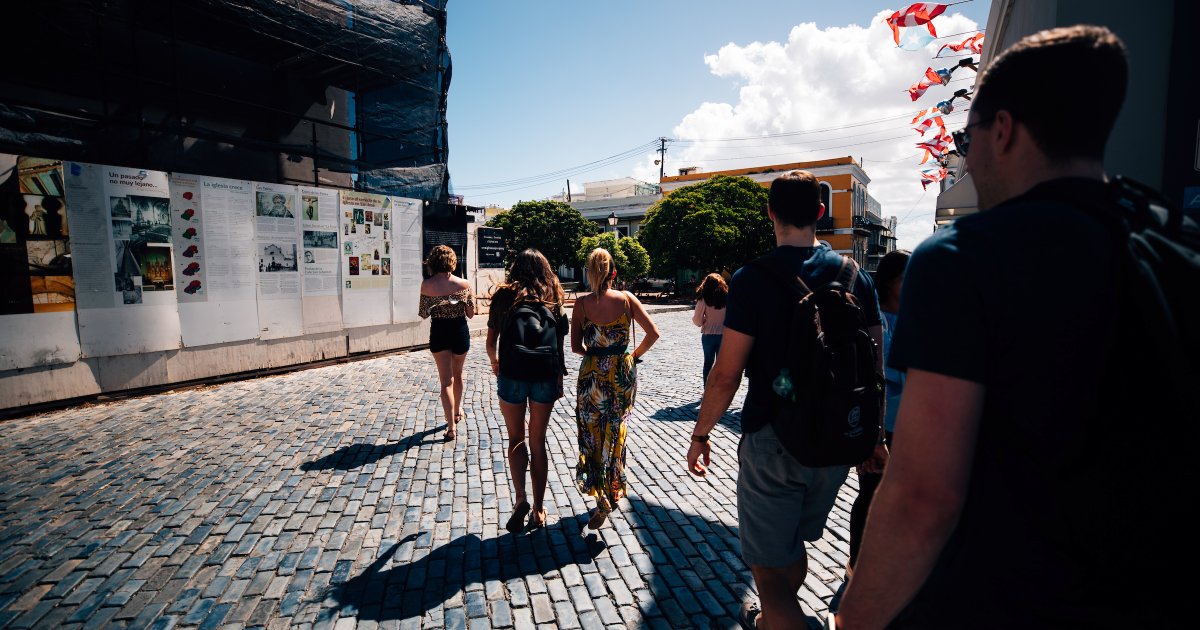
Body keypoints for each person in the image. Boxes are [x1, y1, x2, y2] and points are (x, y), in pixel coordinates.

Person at [834, 26, 1186, 628]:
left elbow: (924, 493)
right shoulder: (1176, 243)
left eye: (965, 138)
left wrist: (857, 617)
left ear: (1002, 130)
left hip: (1010, 597)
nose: (965, 157)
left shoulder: (963, 258)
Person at [684, 170, 882, 630]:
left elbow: (726, 375)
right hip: (837, 441)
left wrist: (701, 434)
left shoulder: (752, 279)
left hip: (774, 437)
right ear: (820, 212)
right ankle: (771, 620)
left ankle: (774, 615)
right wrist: (874, 439)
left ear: (770, 212)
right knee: (789, 550)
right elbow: (874, 368)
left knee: (770, 573)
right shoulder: (856, 276)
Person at [572, 248, 659, 529]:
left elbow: (575, 346)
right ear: (614, 273)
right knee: (616, 431)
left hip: (591, 376)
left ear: (589, 273)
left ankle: (600, 496)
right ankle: (613, 488)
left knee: (591, 434)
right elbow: (653, 333)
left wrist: (596, 354)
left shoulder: (581, 304)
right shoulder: (626, 300)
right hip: (621, 373)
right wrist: (630, 357)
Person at [486, 249, 568, 533]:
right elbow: (559, 343)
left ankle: (520, 498)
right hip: (545, 374)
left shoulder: (504, 296)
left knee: (515, 438)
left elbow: (490, 342)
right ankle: (538, 509)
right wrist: (558, 377)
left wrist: (496, 363)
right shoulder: (553, 296)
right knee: (538, 441)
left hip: (512, 372)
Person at [843, 250, 909, 593]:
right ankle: (856, 563)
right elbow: (878, 370)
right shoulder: (877, 317)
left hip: (912, 424)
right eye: (906, 278)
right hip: (881, 421)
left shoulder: (917, 316)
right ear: (890, 281)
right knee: (870, 493)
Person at [418, 245, 476, 441]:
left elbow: (423, 314)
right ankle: (458, 411)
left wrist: (437, 303)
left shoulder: (426, 285)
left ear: (433, 262)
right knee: (458, 374)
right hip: (459, 331)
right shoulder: (464, 284)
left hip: (439, 332)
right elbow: (471, 314)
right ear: (452, 261)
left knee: (445, 382)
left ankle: (451, 427)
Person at [691, 272, 728, 386]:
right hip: (724, 335)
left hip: (708, 335)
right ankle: (720, 389)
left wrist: (703, 322)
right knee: (722, 364)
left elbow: (697, 319)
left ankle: (707, 389)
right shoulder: (727, 298)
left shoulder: (703, 299)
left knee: (708, 363)